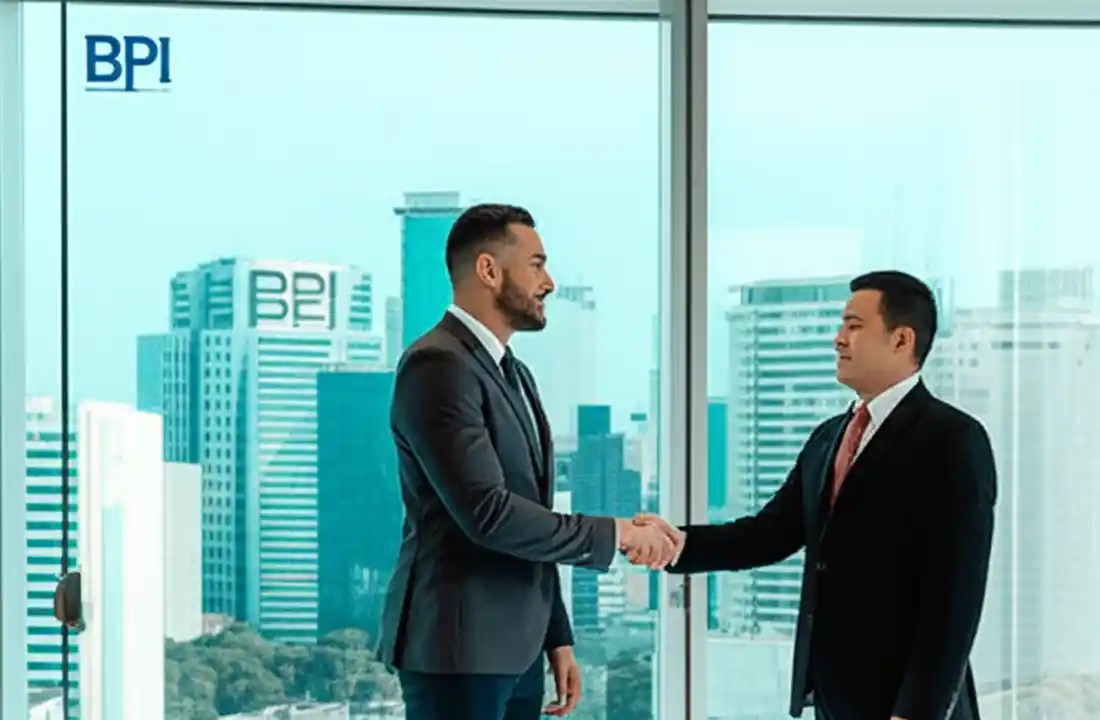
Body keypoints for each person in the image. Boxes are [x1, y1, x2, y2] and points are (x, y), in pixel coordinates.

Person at [640, 270, 997, 720]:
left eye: (854, 325)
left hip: (906, 704)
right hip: (835, 699)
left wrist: (917, 711)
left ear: (901, 339)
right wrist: (675, 543)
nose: (838, 339)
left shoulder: (952, 439)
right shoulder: (829, 438)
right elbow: (769, 533)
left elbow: (957, 596)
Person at [376, 203, 678, 720]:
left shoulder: (512, 372)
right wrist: (620, 533)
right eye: (536, 264)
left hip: (515, 651)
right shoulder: (438, 366)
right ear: (489, 270)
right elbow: (488, 513)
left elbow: (530, 512)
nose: (550, 282)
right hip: (459, 650)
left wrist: (556, 635)